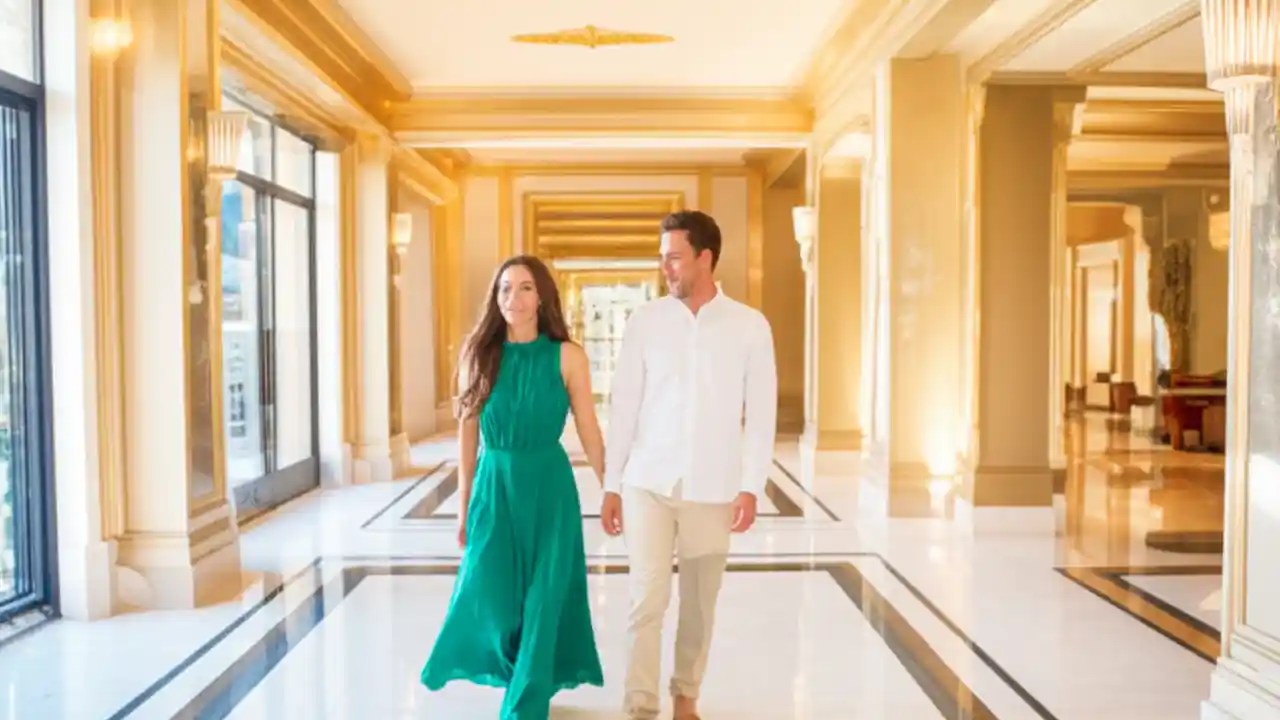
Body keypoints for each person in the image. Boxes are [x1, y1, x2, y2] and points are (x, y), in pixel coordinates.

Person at [601, 210, 778, 720]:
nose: (666, 269)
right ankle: (639, 704)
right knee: (646, 599)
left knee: (700, 604)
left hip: (713, 488)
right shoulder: (645, 322)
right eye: (662, 259)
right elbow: (625, 407)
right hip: (646, 484)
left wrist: (751, 485)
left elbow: (761, 413)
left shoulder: (749, 326)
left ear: (705, 257)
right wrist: (612, 485)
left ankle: (685, 697)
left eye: (674, 258)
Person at [421, 255, 605, 720]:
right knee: (493, 597)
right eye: (504, 289)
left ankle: (525, 703)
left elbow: (589, 427)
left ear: (541, 296)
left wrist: (612, 489)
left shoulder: (568, 356)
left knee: (545, 597)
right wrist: (463, 510)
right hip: (495, 485)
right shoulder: (478, 355)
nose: (513, 298)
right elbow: (467, 440)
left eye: (524, 288)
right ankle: (518, 672)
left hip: (549, 489)